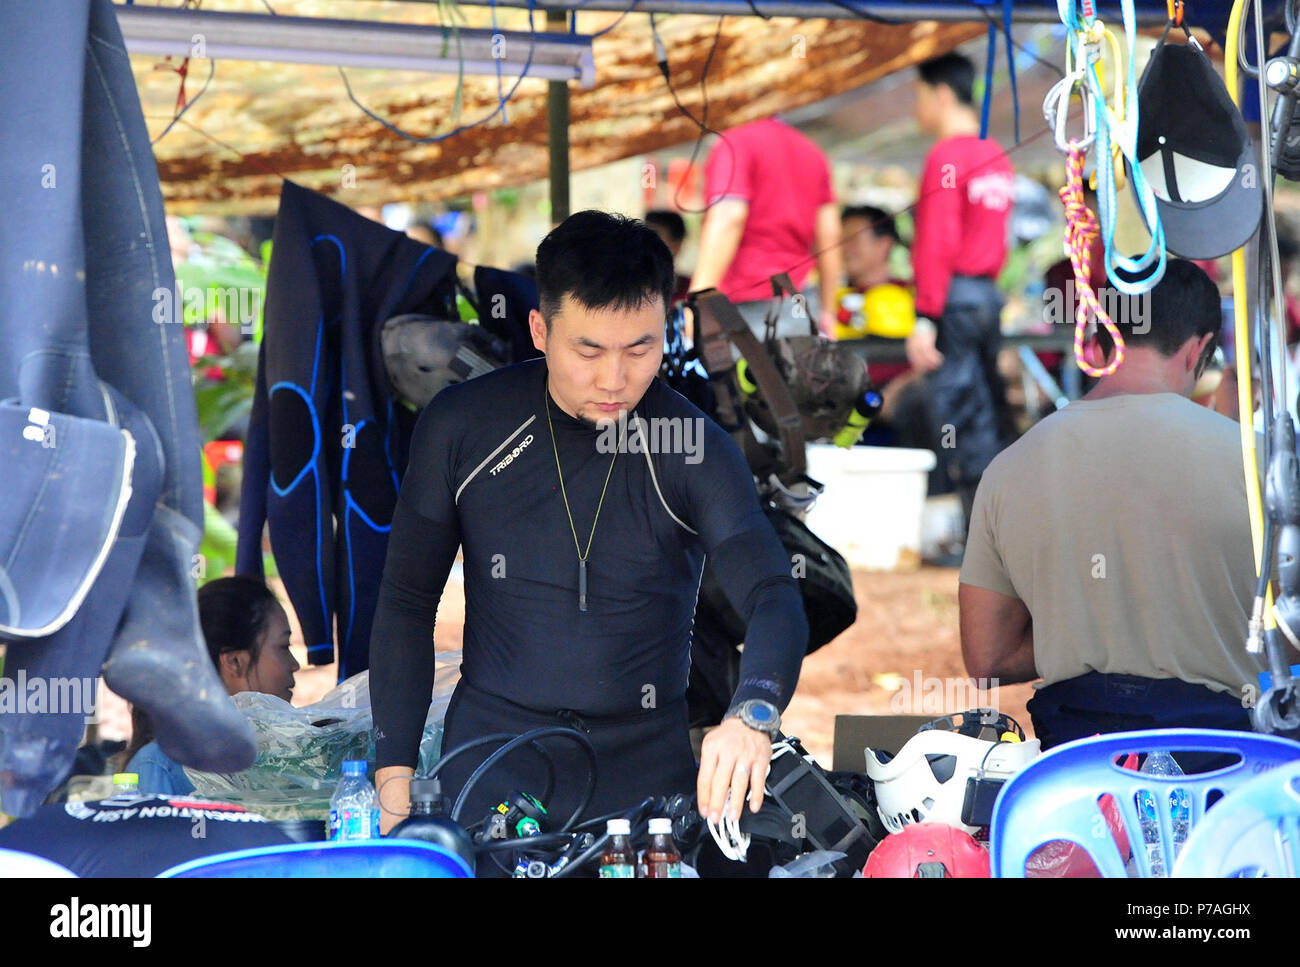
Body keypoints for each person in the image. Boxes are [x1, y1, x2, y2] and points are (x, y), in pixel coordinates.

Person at [370, 211, 808, 839]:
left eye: (640, 349)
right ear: (540, 330)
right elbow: (406, 602)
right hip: (493, 761)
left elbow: (772, 592)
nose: (614, 380)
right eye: (588, 349)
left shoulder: (692, 447)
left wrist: (754, 713)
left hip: (644, 775)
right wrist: (395, 775)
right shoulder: (463, 426)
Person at [958, 260, 1272, 749]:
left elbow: (988, 657)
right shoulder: (1261, 462)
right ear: (1197, 351)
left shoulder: (1009, 466)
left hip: (1077, 767)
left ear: (1098, 342)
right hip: (1224, 767)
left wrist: (1091, 633)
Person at [906, 53, 1016, 533]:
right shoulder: (995, 154)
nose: (917, 108)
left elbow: (937, 241)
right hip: (985, 298)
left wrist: (925, 315)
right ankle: (990, 532)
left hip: (953, 298)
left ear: (942, 93)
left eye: (919, 96)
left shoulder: (946, 156)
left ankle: (978, 539)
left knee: (961, 417)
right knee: (988, 412)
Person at [125, 576, 299, 794]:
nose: (295, 664)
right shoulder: (159, 768)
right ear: (235, 662)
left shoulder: (290, 757)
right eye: (284, 646)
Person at [688, 116, 841, 339]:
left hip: (749, 309)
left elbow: (729, 217)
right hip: (799, 305)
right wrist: (828, 311)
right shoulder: (811, 151)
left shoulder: (735, 141)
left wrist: (699, 297)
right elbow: (830, 235)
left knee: (742, 373)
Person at [644, 209, 692, 306]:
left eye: (654, 237)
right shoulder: (628, 290)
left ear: (677, 245)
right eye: (643, 236)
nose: (645, 243)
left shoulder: (692, 291)